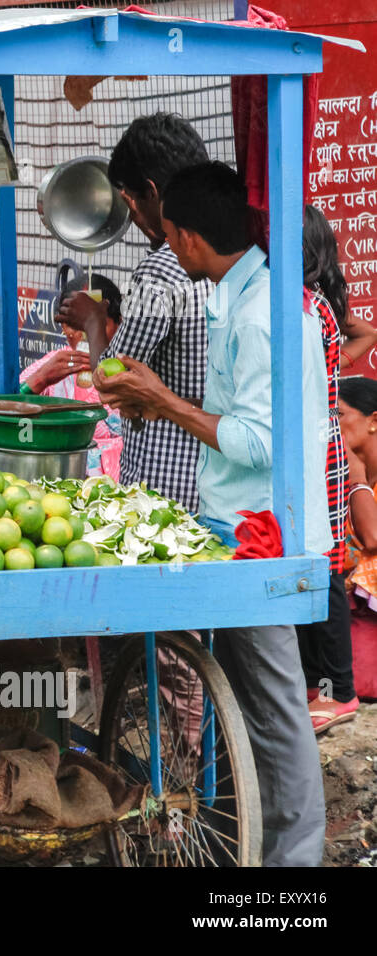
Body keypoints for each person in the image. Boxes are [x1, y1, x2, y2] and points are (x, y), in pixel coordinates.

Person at [94, 161, 329, 866]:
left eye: (168, 236)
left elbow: (259, 442)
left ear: (190, 239)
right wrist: (155, 399)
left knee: (277, 710)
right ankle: (246, 846)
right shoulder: (237, 294)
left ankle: (294, 868)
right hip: (231, 522)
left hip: (265, 533)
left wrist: (165, 402)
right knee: (248, 705)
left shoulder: (260, 317)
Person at [59, 112, 212, 512]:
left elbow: (110, 378)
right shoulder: (228, 255)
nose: (133, 217)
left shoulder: (160, 270)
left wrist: (94, 321)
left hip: (166, 481)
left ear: (151, 192)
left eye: (130, 201)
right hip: (216, 476)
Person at [298, 205, 375, 734]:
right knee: (313, 571)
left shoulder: (317, 307)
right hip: (316, 447)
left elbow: (362, 333)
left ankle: (338, 692)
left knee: (324, 569)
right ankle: (315, 685)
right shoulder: (320, 304)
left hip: (319, 451)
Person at [21, 274, 124, 479]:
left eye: (96, 326)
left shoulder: (132, 366)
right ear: (62, 326)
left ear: (119, 323)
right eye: (76, 326)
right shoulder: (52, 366)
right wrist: (38, 381)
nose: (85, 335)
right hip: (62, 479)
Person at [336, 376, 377, 703]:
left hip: (368, 608)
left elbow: (373, 538)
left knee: (358, 684)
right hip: (346, 608)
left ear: (373, 421)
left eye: (339, 415)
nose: (333, 426)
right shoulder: (338, 469)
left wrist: (356, 473)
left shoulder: (353, 471)